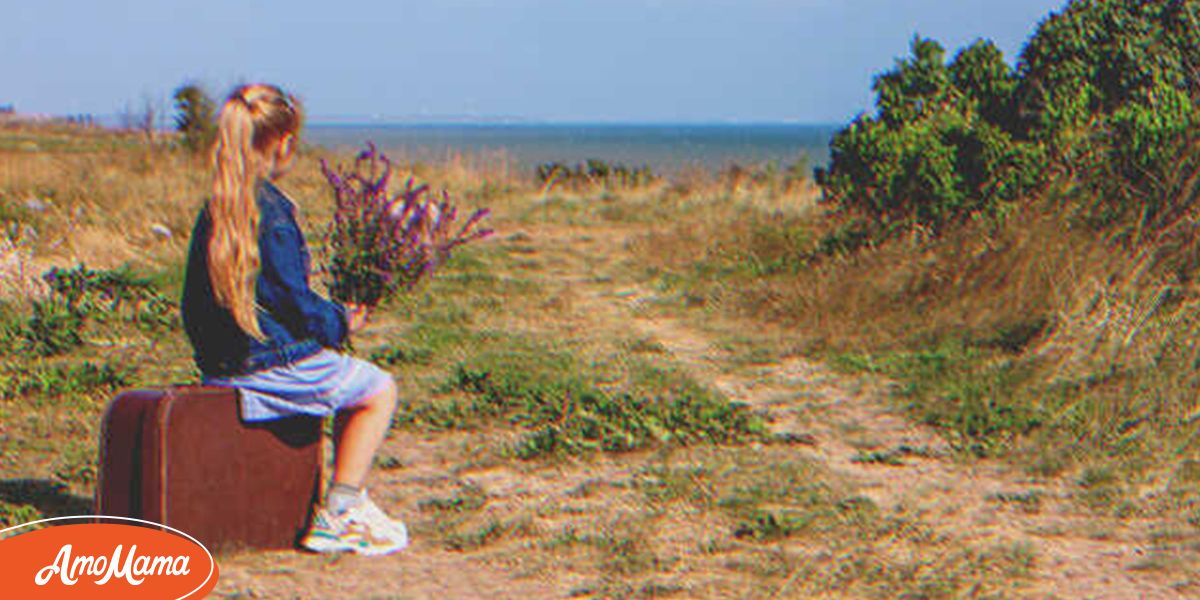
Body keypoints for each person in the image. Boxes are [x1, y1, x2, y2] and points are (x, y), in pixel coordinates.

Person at [180, 83, 408, 556]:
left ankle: (342, 502)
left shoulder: (216, 208)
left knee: (348, 386)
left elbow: (193, 306)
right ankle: (342, 511)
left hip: (222, 368)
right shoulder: (274, 211)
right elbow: (294, 302)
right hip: (273, 364)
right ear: (284, 141)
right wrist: (341, 322)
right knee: (377, 389)